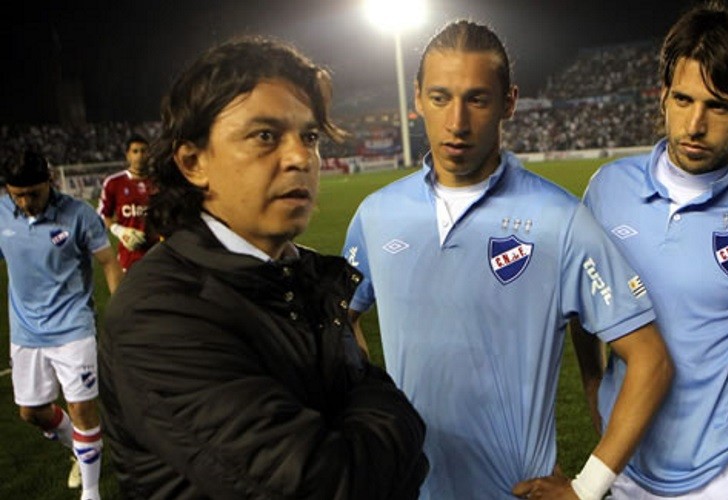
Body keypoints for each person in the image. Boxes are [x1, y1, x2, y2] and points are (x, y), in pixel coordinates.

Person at [343, 20, 672, 500]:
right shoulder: (376, 215)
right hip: (406, 488)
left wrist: (588, 487)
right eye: (440, 98)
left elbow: (651, 360)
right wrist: (368, 407)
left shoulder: (559, 220)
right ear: (417, 99)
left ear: (509, 102)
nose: (457, 122)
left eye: (477, 99)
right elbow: (340, 323)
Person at [98, 35, 428, 499]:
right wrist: (394, 421)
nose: (300, 158)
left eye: (309, 137)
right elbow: (332, 485)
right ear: (193, 162)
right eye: (265, 136)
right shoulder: (157, 313)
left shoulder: (303, 274)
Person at [574, 3, 728, 498]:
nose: (695, 124)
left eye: (719, 106)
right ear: (663, 96)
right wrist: (593, 383)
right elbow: (582, 304)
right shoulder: (608, 189)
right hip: (627, 466)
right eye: (683, 100)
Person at [1, 150, 123, 500]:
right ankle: (81, 449)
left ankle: (91, 491)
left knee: (81, 408)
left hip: (73, 327)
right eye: (17, 195)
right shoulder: (2, 214)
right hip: (25, 331)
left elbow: (108, 261)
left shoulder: (79, 215)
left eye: (33, 193)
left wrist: (119, 312)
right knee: (32, 413)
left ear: (50, 181)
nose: (26, 202)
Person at [98, 134, 156, 271]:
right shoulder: (114, 182)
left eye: (144, 151)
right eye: (135, 151)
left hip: (158, 254)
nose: (140, 155)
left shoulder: (159, 182)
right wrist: (120, 231)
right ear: (127, 155)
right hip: (129, 258)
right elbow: (103, 215)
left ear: (149, 154)